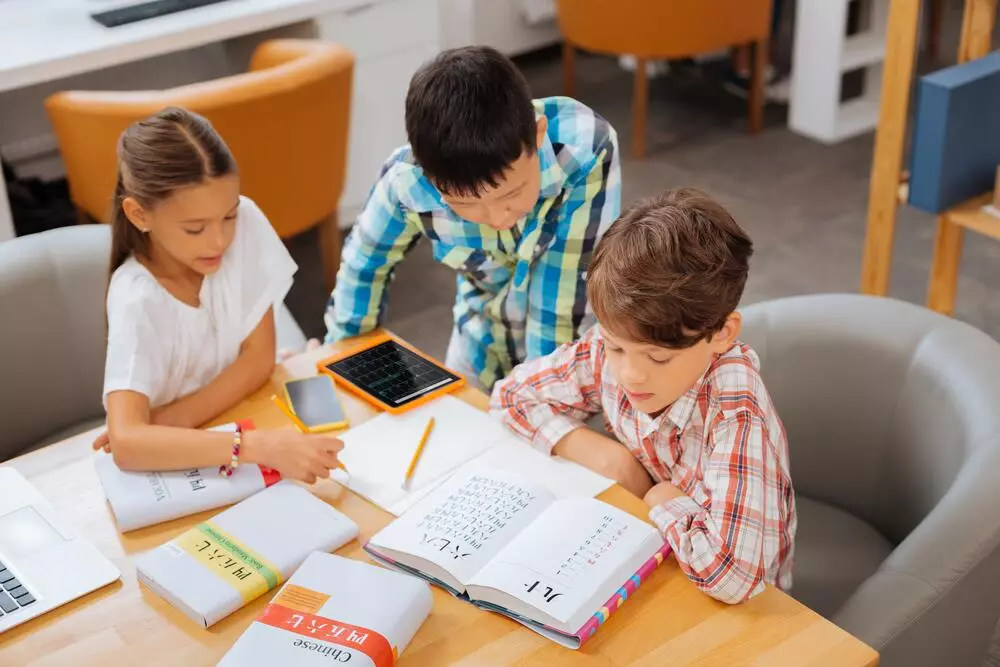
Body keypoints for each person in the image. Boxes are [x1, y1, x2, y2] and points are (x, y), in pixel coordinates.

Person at [490, 188, 796, 604]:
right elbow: (512, 396)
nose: (630, 373)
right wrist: (611, 459)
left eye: (658, 358)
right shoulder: (613, 341)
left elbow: (732, 576)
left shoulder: (736, 412)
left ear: (722, 334)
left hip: (753, 608)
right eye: (617, 348)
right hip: (657, 548)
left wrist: (660, 497)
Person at [324, 46, 621, 391]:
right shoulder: (406, 182)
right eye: (465, 205)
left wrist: (538, 405)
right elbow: (363, 267)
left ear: (537, 137)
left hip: (569, 355)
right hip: (479, 338)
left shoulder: (584, 151)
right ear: (429, 175)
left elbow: (557, 312)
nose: (495, 218)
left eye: (511, 194)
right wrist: (341, 357)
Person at [94, 107, 343, 484]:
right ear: (139, 215)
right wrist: (252, 446)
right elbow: (128, 446)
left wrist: (165, 426)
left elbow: (258, 357)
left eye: (228, 216)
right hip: (190, 469)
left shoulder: (247, 220)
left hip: (225, 429)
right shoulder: (136, 298)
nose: (220, 240)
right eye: (195, 229)